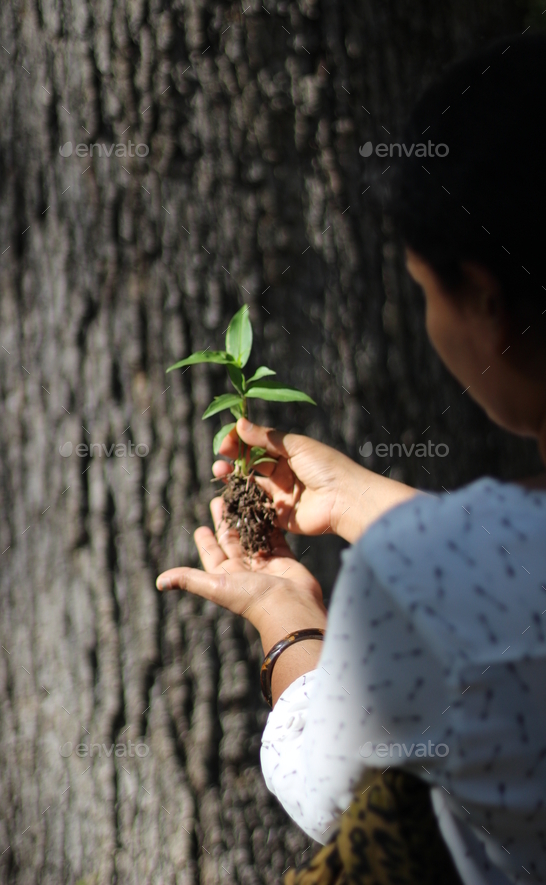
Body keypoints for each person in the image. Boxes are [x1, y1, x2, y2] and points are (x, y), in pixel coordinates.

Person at [156, 33, 546, 885]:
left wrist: (286, 616)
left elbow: (331, 780)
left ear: (483, 294)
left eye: (422, 286)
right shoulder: (468, 558)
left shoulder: (428, 574)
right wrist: (364, 499)